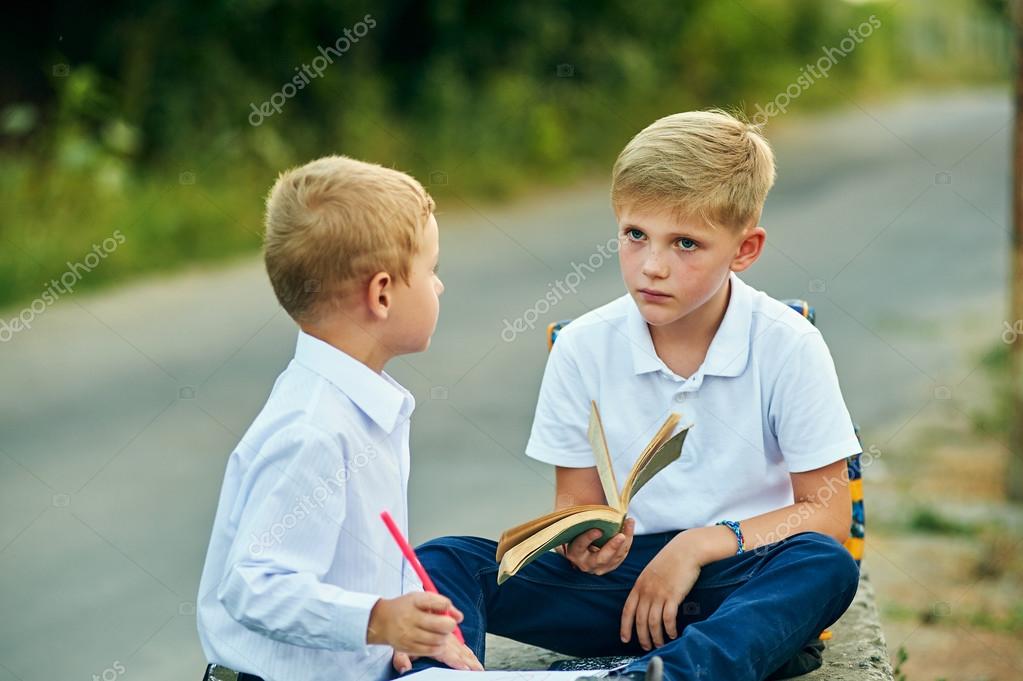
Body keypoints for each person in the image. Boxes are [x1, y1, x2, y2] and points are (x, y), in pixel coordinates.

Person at [410, 111, 861, 681]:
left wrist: (699, 545)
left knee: (824, 566)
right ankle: (439, 673)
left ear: (745, 249)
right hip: (620, 593)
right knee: (448, 560)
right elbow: (575, 505)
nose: (652, 266)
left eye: (686, 244)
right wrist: (585, 544)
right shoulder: (582, 347)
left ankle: (665, 674)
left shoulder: (787, 344)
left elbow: (827, 514)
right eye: (635, 235)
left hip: (736, 580)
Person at [196, 156, 482, 681]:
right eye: (431, 271)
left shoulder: (359, 405)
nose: (439, 287)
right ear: (381, 294)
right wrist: (376, 621)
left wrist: (395, 632)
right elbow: (253, 583)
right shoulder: (314, 431)